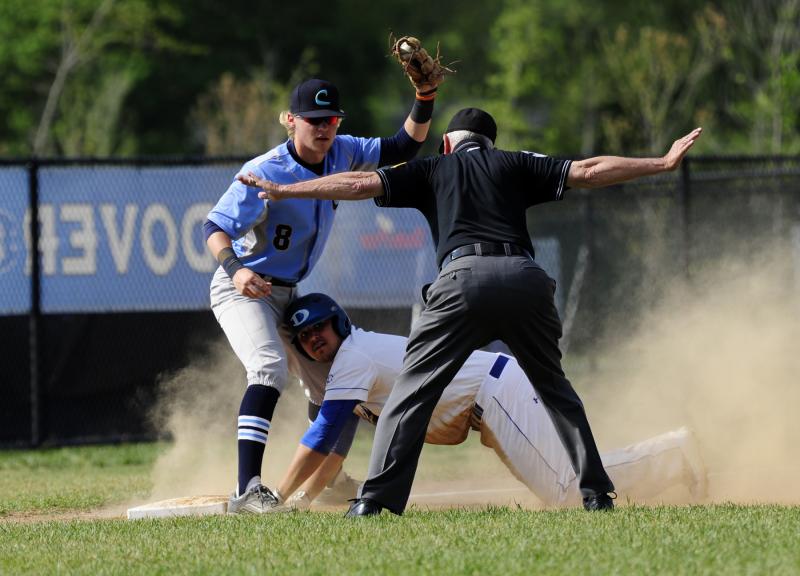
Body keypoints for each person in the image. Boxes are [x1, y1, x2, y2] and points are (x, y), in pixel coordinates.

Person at [245, 107, 704, 516]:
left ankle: (377, 501)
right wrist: (661, 163)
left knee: (413, 391)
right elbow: (588, 169)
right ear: (491, 144)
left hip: (461, 284)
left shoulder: (433, 168)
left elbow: (360, 182)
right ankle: (597, 494)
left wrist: (287, 189)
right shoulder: (518, 162)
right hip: (526, 280)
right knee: (555, 387)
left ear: (448, 143)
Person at [203, 75, 440, 514]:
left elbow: (403, 147)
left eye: (330, 119)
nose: (324, 127)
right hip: (243, 288)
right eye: (314, 120)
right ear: (291, 120)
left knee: (336, 379)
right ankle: (248, 489)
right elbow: (214, 228)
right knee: (269, 368)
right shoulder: (267, 171)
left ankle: (325, 478)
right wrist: (235, 271)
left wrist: (424, 98)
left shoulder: (343, 150)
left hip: (288, 291)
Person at [260, 293, 707, 511]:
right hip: (490, 397)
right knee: (565, 486)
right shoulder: (349, 368)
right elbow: (332, 450)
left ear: (339, 323)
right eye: (303, 337)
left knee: (568, 493)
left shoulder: (353, 358)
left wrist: (276, 498)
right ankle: (671, 456)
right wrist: (300, 503)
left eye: (319, 328)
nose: (313, 339)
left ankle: (675, 455)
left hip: (493, 392)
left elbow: (319, 436)